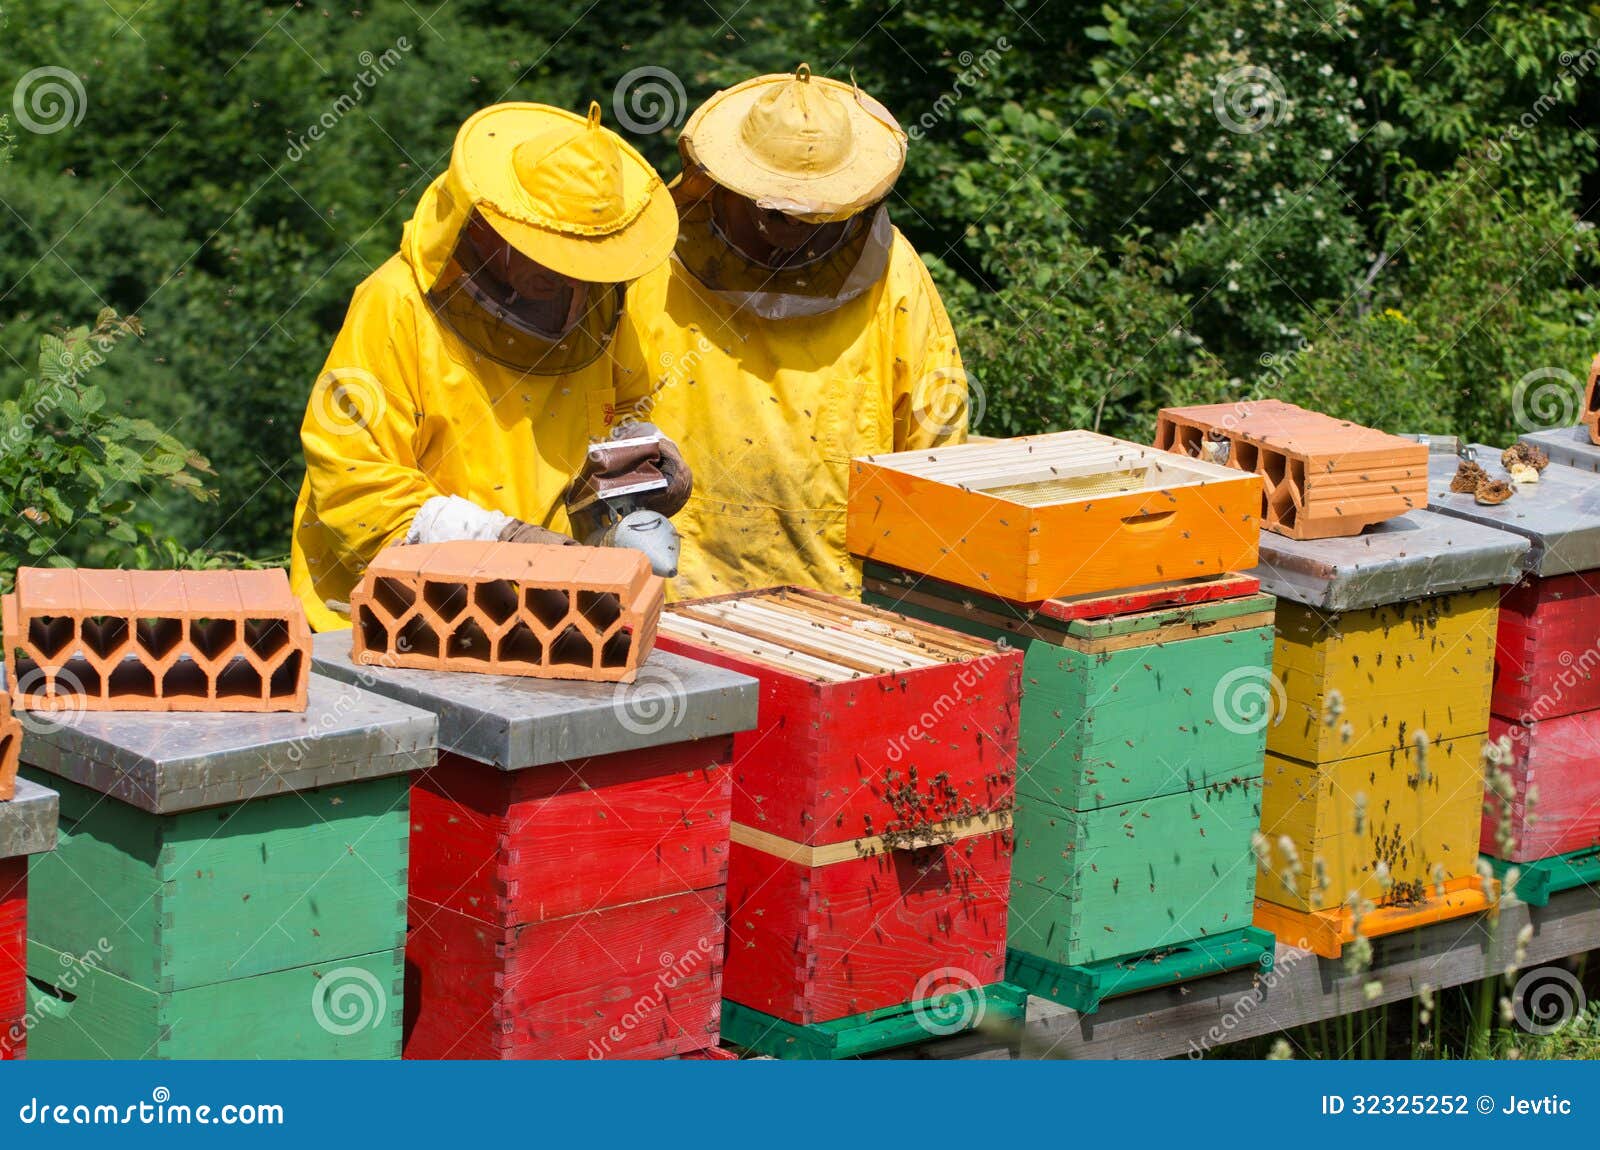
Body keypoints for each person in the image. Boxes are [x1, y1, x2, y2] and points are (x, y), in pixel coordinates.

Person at [289, 101, 687, 631]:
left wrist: (638, 467)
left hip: (545, 613)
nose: (573, 280)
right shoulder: (394, 305)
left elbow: (625, 407)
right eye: (555, 256)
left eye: (589, 261)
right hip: (394, 618)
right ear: (488, 230)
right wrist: (507, 543)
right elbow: (355, 485)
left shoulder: (601, 307)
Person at [625, 64, 969, 599]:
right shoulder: (651, 263)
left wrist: (925, 589)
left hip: (836, 592)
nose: (796, 234)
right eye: (778, 213)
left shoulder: (892, 270)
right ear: (722, 186)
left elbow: (936, 436)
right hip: (673, 581)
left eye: (816, 217)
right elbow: (602, 411)